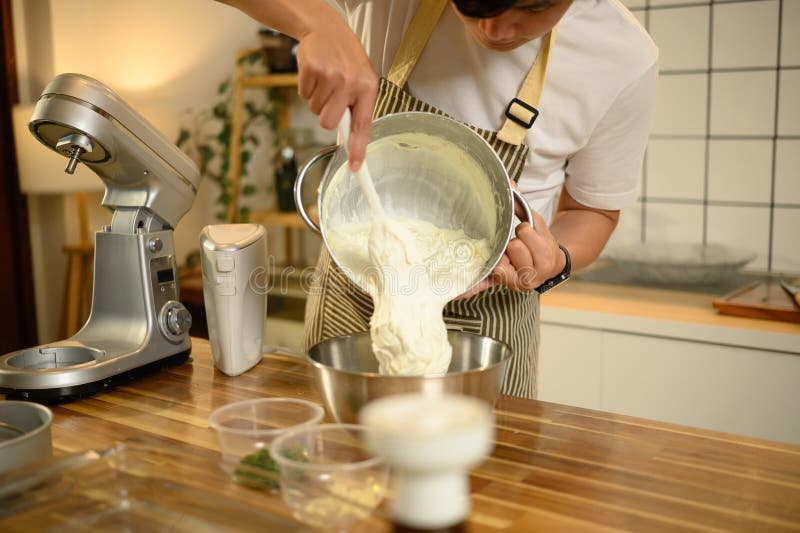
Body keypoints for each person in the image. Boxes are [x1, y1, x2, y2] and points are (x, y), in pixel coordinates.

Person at [219, 0, 658, 398]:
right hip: (350, 302)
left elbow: (591, 211)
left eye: (532, 8)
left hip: (493, 325)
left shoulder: (620, 56)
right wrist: (316, 22)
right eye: (469, 3)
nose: (495, 28)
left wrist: (557, 257)